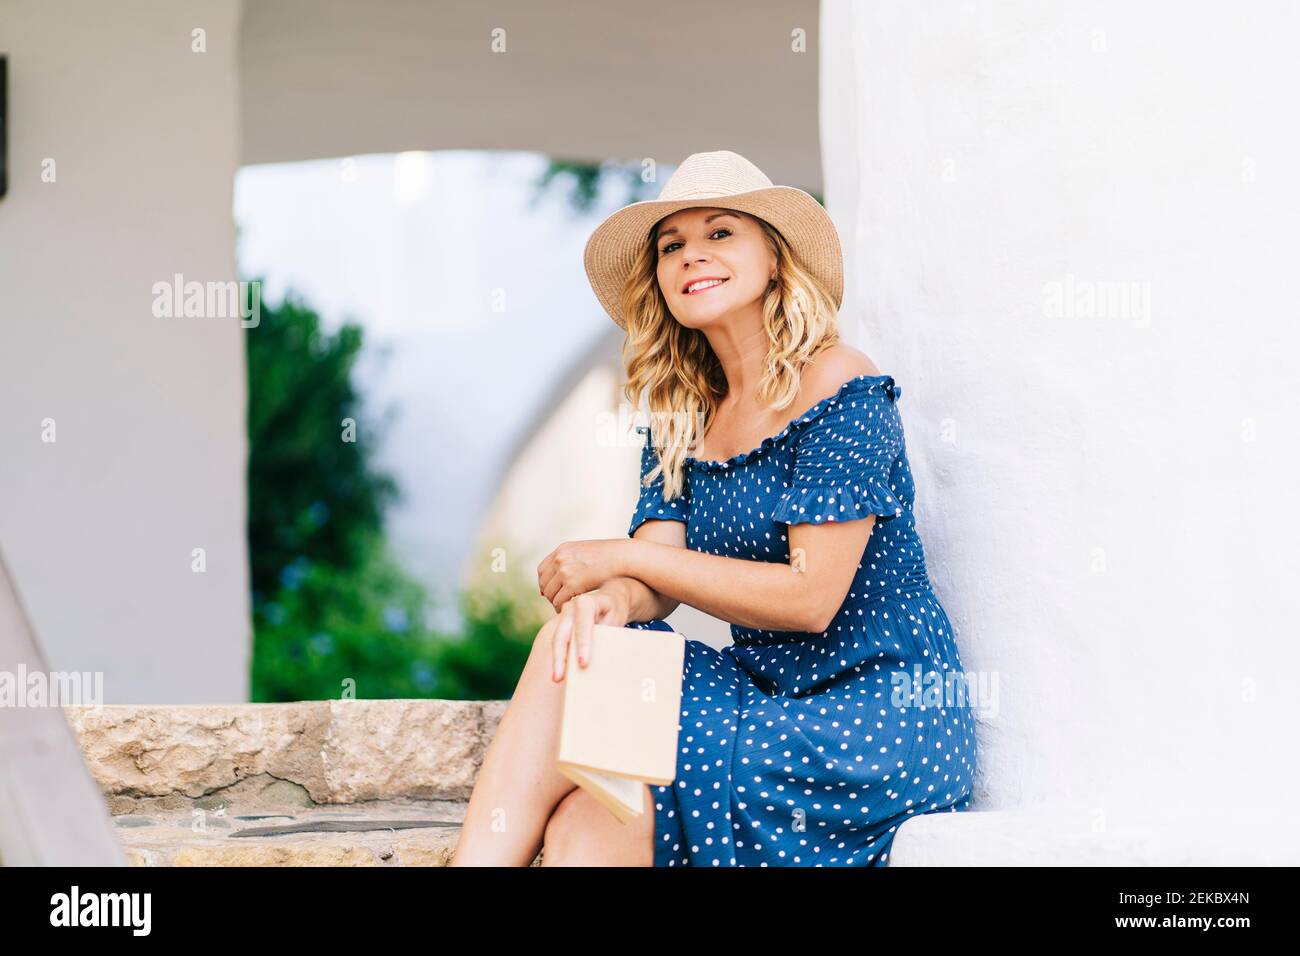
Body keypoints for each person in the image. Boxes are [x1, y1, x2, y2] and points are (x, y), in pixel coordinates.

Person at [450, 150, 977, 867]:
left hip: (875, 716)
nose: (691, 254)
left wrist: (621, 557)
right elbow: (656, 583)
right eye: (672, 245)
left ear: (774, 258)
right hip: (762, 694)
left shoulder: (840, 386)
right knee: (587, 817)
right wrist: (610, 602)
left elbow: (810, 597)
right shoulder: (682, 416)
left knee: (575, 679)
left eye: (720, 233)